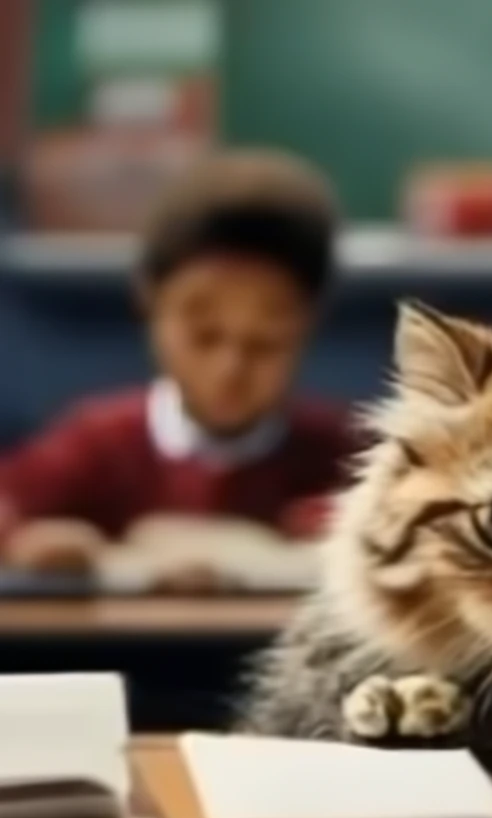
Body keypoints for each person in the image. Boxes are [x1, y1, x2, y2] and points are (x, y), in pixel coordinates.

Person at [0, 149, 365, 583]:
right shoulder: (94, 446)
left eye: (265, 342)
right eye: (204, 335)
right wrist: (35, 550)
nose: (230, 367)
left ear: (309, 325)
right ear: (151, 306)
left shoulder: (348, 459)